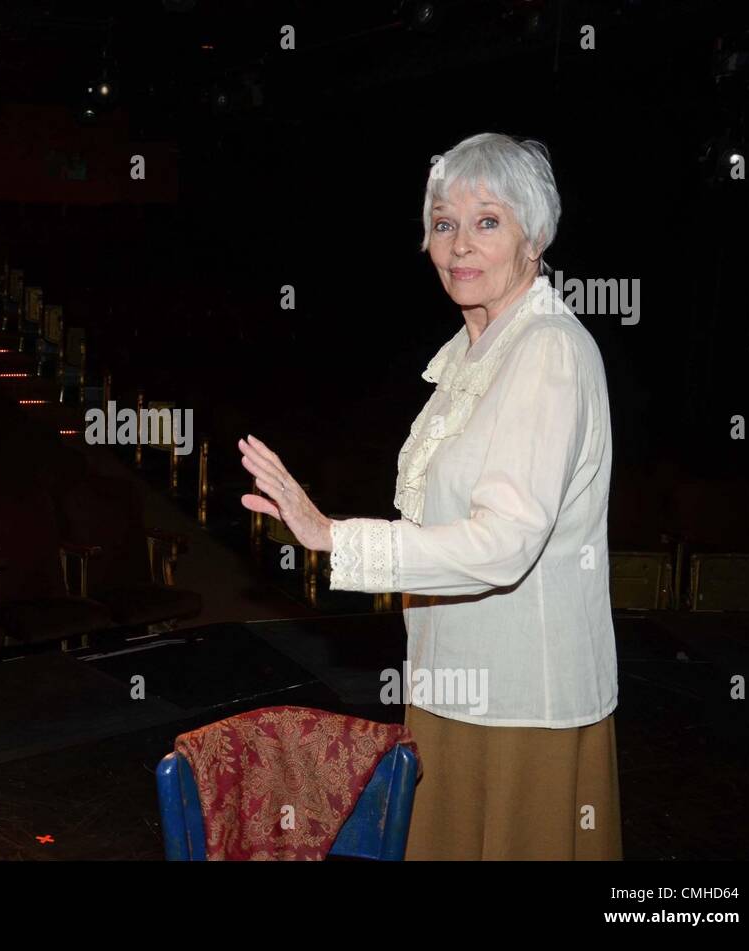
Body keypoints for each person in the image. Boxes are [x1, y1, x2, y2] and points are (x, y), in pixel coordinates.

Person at [238, 132, 621, 860]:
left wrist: (334, 536)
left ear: (533, 235)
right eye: (444, 223)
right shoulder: (470, 354)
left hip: (519, 702)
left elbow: (504, 544)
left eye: (488, 222)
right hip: (451, 682)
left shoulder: (548, 350)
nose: (459, 246)